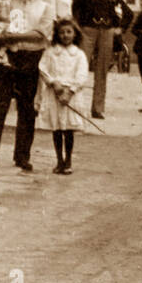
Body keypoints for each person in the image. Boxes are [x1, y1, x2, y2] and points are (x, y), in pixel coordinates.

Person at [0, 0, 54, 170]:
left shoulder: (46, 7)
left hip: (31, 58)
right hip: (7, 56)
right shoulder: (9, 1)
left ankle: (22, 156)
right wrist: (2, 38)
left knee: (27, 109)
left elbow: (40, 34)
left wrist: (13, 37)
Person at [72, 0, 134, 121]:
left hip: (107, 32)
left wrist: (120, 29)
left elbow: (128, 14)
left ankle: (98, 108)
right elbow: (73, 10)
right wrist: (78, 28)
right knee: (81, 65)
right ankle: (75, 106)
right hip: (88, 31)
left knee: (102, 69)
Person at [37, 19, 89, 174]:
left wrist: (70, 91)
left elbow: (82, 74)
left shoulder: (78, 54)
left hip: (71, 95)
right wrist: (53, 83)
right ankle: (59, 160)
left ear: (74, 34)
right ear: (57, 35)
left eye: (69, 32)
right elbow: (43, 68)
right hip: (55, 93)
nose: (65, 35)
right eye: (62, 32)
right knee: (57, 128)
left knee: (68, 129)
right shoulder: (51, 52)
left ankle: (68, 161)